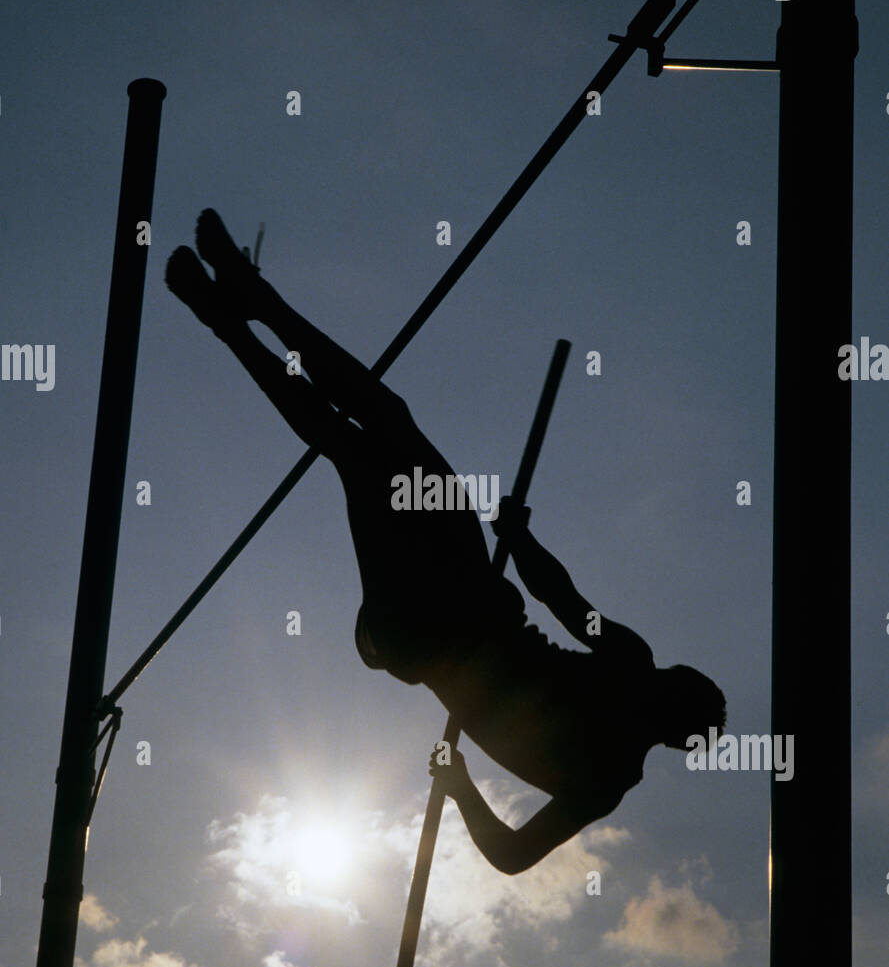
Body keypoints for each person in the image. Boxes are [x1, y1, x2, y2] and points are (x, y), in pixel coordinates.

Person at [166, 208, 726, 874]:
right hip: (475, 591)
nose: (659, 678)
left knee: (354, 452)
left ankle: (226, 318)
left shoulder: (603, 781)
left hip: (417, 635)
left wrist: (460, 790)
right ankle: (249, 301)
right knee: (385, 423)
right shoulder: (633, 662)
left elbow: (514, 855)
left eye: (669, 690)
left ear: (668, 725)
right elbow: (559, 598)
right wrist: (519, 539)